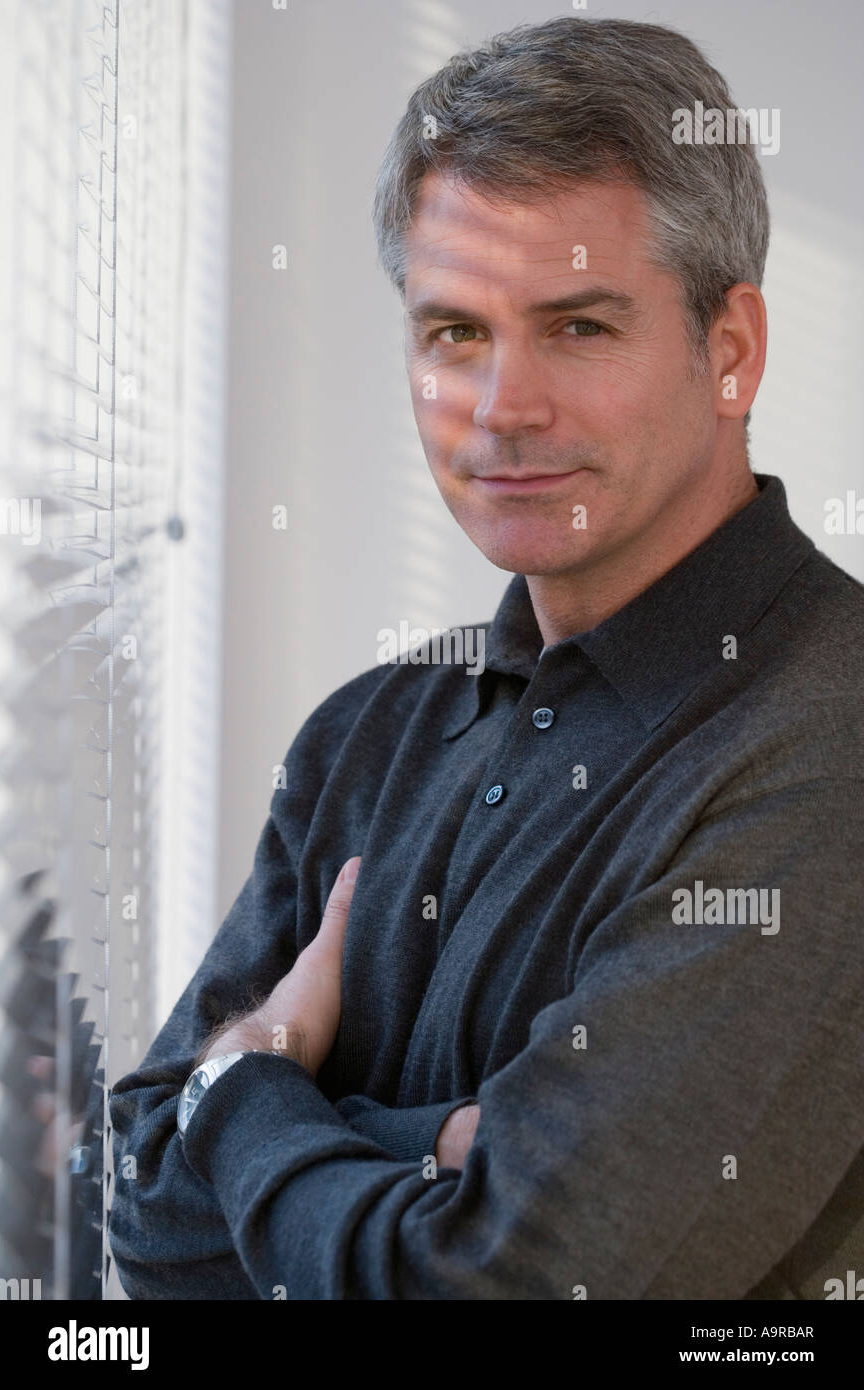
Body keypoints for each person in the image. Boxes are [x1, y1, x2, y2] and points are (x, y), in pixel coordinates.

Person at [109, 16, 864, 1300]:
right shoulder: (368, 734)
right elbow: (141, 1214)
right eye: (454, 331)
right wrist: (430, 1151)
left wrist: (243, 1096)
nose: (502, 408)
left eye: (575, 326)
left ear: (726, 348)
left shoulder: (822, 749)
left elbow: (518, 1283)